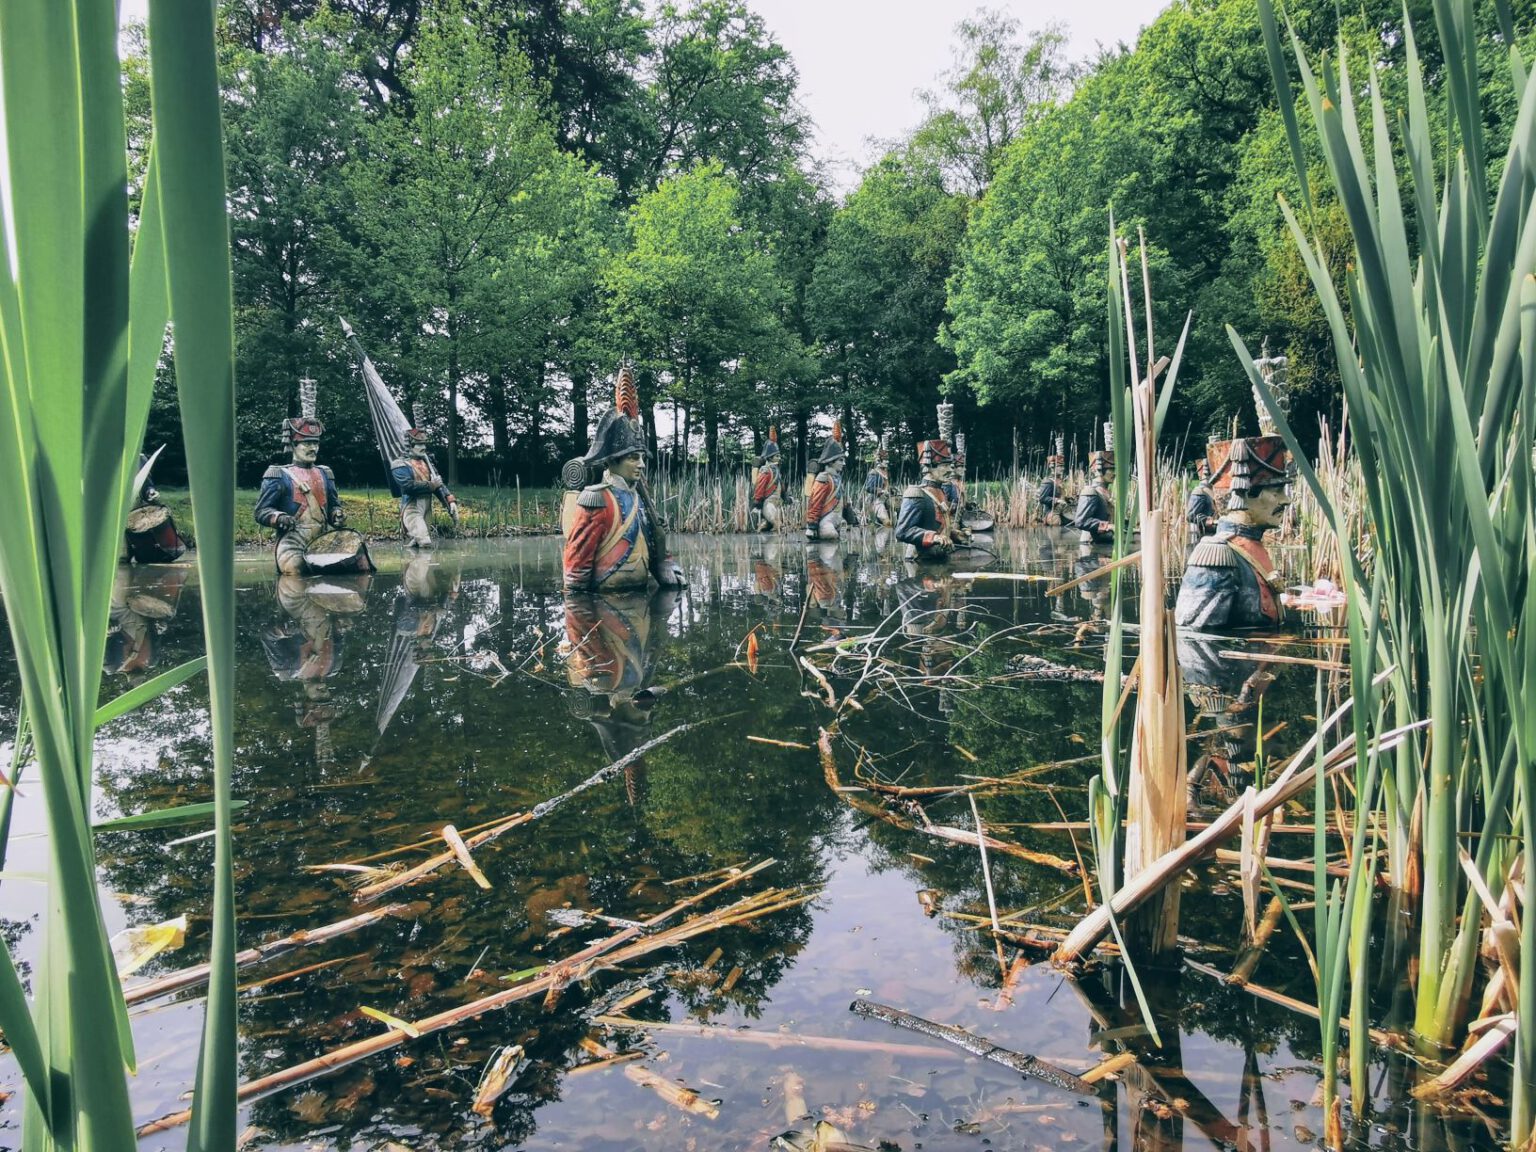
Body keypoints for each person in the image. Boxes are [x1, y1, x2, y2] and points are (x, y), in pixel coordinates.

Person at [564, 370, 685, 591]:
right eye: (633, 458)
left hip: (641, 602)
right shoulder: (597, 500)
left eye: (641, 457)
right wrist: (580, 608)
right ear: (612, 460)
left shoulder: (641, 498)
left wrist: (666, 565)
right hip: (605, 602)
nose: (641, 464)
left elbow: (655, 545)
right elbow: (576, 571)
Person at [1174, 436, 1294, 631]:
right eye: (1276, 491)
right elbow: (1197, 640)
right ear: (1246, 495)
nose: (1286, 501)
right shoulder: (1217, 558)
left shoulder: (1249, 547)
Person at [254, 379, 351, 574]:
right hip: (292, 544)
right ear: (293, 445)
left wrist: (337, 515)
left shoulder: (325, 473)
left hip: (323, 543)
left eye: (316, 443)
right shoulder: (278, 475)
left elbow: (333, 506)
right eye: (307, 443)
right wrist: (279, 517)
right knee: (297, 573)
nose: (313, 448)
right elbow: (261, 511)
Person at [896, 406, 970, 562]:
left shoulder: (941, 491)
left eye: (951, 466)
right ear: (929, 467)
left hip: (938, 560)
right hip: (919, 562)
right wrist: (933, 537)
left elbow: (938, 525)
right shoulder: (916, 494)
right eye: (945, 465)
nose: (950, 470)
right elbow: (903, 531)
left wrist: (954, 534)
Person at [390, 403, 459, 548]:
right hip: (412, 506)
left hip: (427, 506)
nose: (423, 448)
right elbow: (407, 486)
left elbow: (438, 484)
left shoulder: (427, 463)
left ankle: (412, 558)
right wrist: (430, 485)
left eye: (424, 444)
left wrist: (449, 499)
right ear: (410, 446)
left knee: (420, 541)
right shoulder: (400, 464)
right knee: (425, 542)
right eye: (419, 445)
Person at [805, 421, 858, 540]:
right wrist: (812, 525)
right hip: (826, 520)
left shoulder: (837, 478)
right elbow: (815, 502)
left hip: (838, 520)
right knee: (831, 536)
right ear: (831, 461)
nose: (843, 464)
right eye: (840, 460)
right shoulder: (823, 478)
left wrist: (851, 517)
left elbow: (843, 502)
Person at [1070, 448, 1115, 544]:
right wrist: (1106, 526)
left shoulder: (1105, 492)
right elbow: (1081, 521)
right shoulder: (1090, 492)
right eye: (1111, 469)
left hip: (1104, 543)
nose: (1115, 473)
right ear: (1100, 470)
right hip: (1091, 545)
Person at [751, 426, 784, 531]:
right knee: (776, 522)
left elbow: (781, 485)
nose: (779, 458)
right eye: (777, 456)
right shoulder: (765, 470)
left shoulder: (777, 470)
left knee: (775, 522)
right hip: (768, 502)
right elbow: (760, 486)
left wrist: (786, 495)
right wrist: (757, 501)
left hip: (777, 502)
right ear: (770, 457)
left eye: (779, 456)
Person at [1185, 457, 1217, 543]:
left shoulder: (1215, 490)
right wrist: (1206, 520)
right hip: (1205, 536)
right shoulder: (1199, 491)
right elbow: (1191, 516)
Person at [862, 437, 892, 527]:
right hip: (875, 500)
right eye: (885, 459)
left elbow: (886, 486)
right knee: (886, 522)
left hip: (884, 499)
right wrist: (878, 491)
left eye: (887, 459)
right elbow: (868, 488)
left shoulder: (885, 473)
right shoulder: (874, 473)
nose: (886, 462)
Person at [1038, 441, 1066, 526]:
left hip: (1061, 512)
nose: (1062, 469)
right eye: (1060, 466)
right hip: (1052, 514)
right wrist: (1057, 500)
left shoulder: (1058, 481)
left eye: (1062, 466)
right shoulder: (1048, 482)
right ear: (1053, 468)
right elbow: (1042, 498)